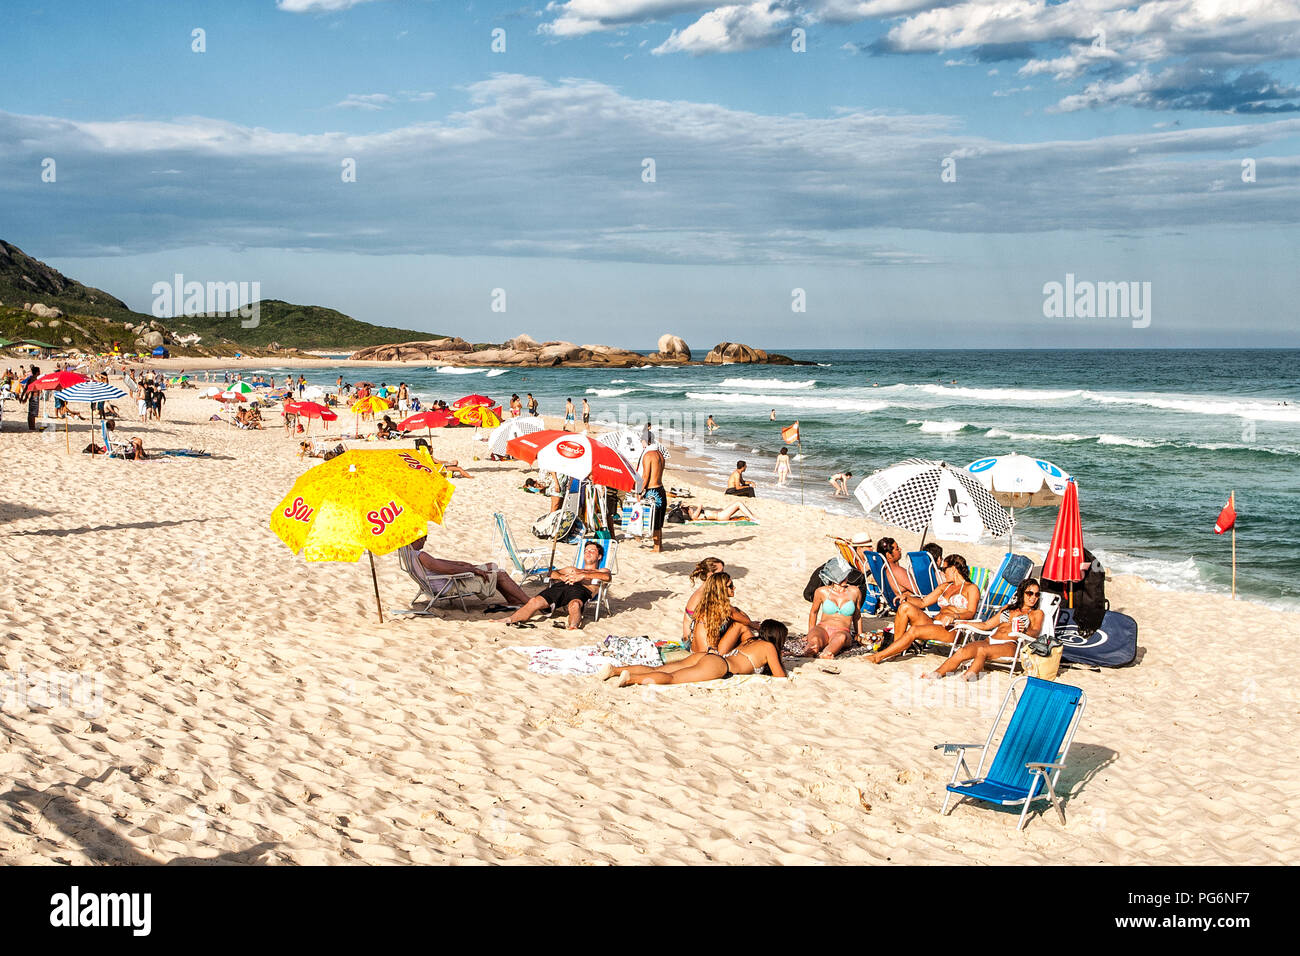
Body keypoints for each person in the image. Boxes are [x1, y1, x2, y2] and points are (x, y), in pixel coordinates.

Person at [600, 618, 788, 686]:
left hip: (710, 657)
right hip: (720, 666)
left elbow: (741, 627)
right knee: (674, 678)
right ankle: (631, 679)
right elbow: (780, 677)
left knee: (664, 668)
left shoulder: (751, 641)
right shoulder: (769, 647)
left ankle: (615, 670)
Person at [924, 579, 1045, 681]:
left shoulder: (1036, 613)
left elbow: (1035, 632)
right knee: (962, 651)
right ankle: (935, 674)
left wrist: (1024, 631)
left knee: (982, 651)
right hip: (990, 640)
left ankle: (966, 678)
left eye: (1037, 594)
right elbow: (987, 625)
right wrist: (965, 623)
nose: (1033, 597)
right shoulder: (1008, 608)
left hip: (1010, 645)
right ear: (1022, 593)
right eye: (1030, 593)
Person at [868, 554, 980, 663]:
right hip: (934, 623)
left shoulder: (971, 588)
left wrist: (954, 616)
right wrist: (907, 598)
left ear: (954, 569)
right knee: (904, 607)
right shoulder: (945, 587)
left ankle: (879, 656)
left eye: (944, 568)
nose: (942, 572)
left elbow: (971, 613)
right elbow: (923, 602)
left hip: (951, 629)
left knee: (914, 630)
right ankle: (894, 650)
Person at [501, 540, 612, 630]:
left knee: (575, 605)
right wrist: (560, 577)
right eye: (586, 550)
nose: (588, 552)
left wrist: (583, 576)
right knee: (534, 601)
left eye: (592, 551)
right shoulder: (573, 569)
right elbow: (551, 573)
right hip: (561, 587)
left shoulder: (602, 570)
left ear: (599, 557)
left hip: (582, 590)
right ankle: (510, 619)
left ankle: (573, 626)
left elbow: (607, 577)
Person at [401, 535, 530, 608]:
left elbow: (439, 563)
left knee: (492, 566)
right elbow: (449, 570)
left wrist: (460, 563)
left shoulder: (409, 554)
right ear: (418, 539)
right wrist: (472, 569)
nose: (426, 540)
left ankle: (513, 600)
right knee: (501, 574)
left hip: (441, 582)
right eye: (425, 538)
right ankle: (529, 602)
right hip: (450, 585)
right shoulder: (421, 555)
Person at [805, 564, 862, 658]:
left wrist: (859, 634)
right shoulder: (821, 591)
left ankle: (827, 653)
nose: (845, 578)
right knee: (814, 641)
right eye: (841, 576)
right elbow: (813, 612)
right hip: (822, 628)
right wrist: (810, 632)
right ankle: (810, 650)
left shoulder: (855, 591)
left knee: (840, 638)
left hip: (842, 630)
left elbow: (857, 616)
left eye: (845, 575)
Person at [682, 557, 725, 641]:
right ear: (710, 575)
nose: (724, 575)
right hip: (692, 641)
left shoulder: (709, 590)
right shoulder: (703, 594)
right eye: (721, 572)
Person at [638, 443, 667, 552]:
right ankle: (659, 544)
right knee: (659, 520)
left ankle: (656, 546)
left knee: (653, 520)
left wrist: (639, 491)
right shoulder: (660, 454)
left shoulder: (648, 455)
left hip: (652, 491)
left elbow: (646, 476)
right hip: (661, 489)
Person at [873, 537, 916, 608]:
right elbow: (919, 592)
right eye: (897, 548)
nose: (900, 549)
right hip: (908, 604)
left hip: (894, 602)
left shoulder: (882, 570)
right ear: (889, 555)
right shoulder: (898, 571)